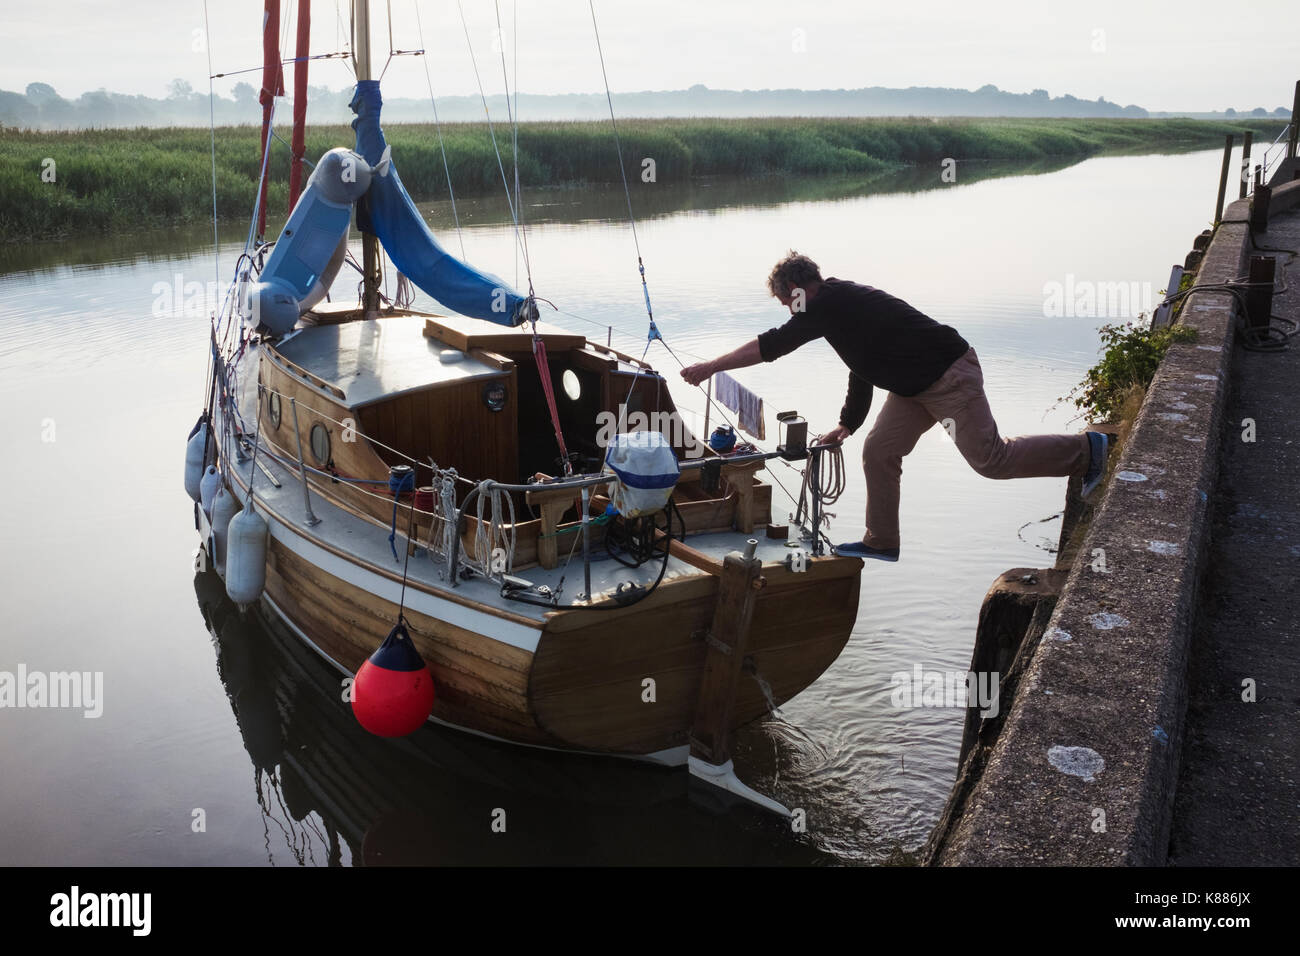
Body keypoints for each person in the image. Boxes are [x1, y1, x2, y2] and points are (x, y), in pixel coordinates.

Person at [679, 251, 1111, 562]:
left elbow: (773, 345)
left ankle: (1088, 450)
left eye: (785, 302)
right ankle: (882, 540)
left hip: (948, 376)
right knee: (879, 450)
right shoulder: (834, 308)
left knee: (991, 460)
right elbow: (863, 364)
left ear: (796, 290)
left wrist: (711, 367)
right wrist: (847, 425)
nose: (788, 311)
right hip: (912, 387)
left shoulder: (826, 302)